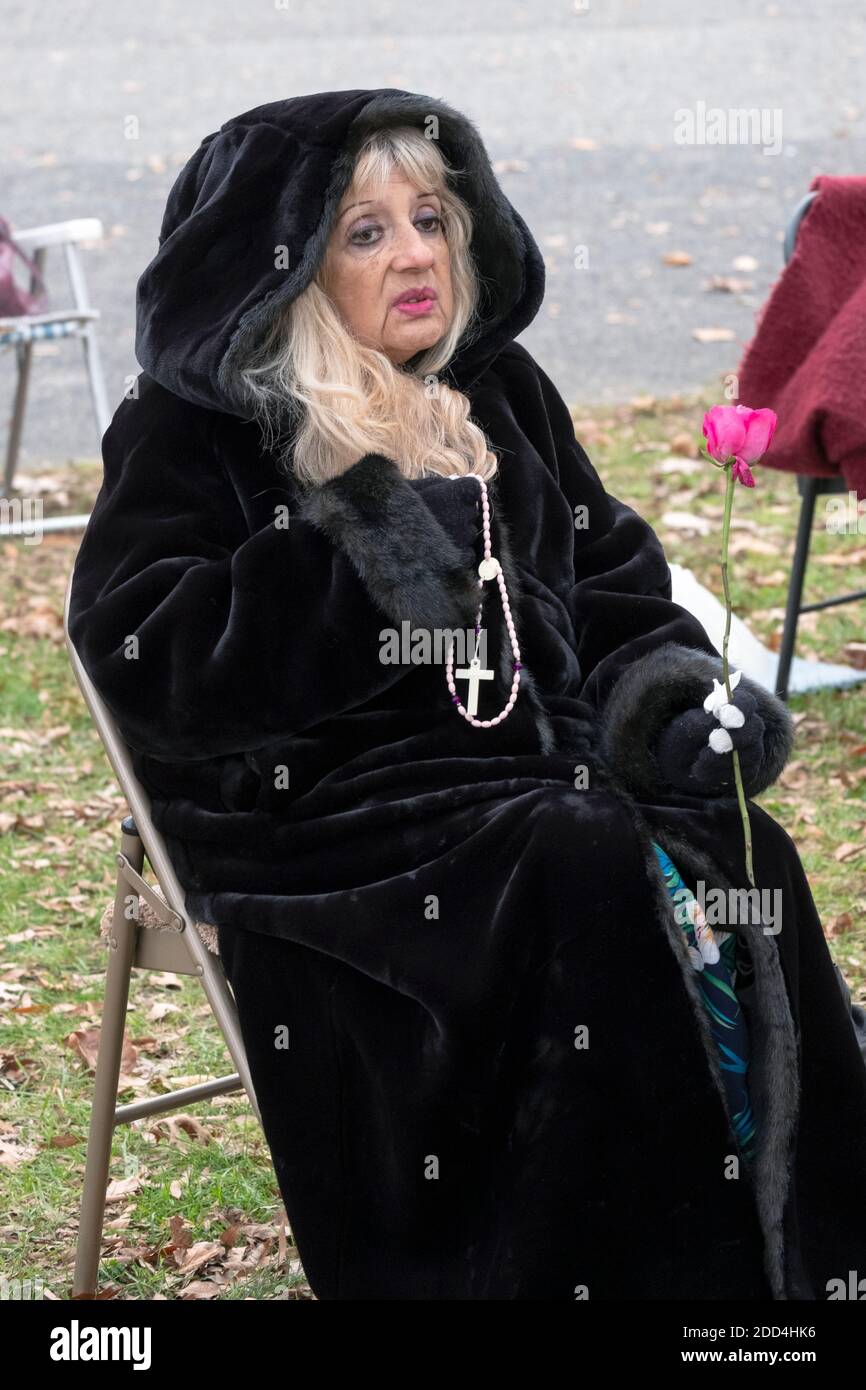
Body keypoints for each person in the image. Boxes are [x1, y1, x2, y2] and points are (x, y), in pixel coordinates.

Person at [68, 89, 866, 1301]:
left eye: (430, 218)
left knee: (737, 842)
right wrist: (374, 546)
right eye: (365, 231)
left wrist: (669, 701)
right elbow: (146, 655)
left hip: (539, 772)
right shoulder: (201, 429)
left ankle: (804, 1262)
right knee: (574, 857)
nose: (415, 254)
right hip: (331, 814)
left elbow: (614, 588)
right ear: (279, 267)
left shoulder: (502, 390)